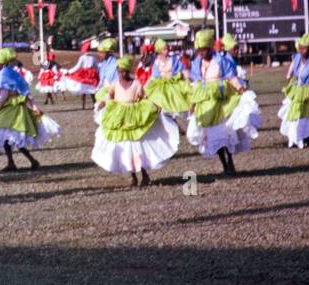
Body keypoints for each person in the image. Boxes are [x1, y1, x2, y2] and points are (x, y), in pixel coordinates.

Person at [91, 55, 180, 187]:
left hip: (134, 117)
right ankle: (133, 176)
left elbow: (145, 97)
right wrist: (101, 104)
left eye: (124, 71)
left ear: (129, 71)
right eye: (120, 71)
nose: (122, 74)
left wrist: (154, 106)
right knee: (126, 147)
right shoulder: (115, 84)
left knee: (137, 147)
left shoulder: (136, 84)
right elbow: (108, 96)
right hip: (120, 118)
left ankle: (144, 174)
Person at [0, 47, 60, 170]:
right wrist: (34, 106)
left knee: (10, 137)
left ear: (3, 64)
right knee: (9, 138)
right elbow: (26, 92)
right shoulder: (12, 72)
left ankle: (26, 161)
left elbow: (4, 96)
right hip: (16, 108)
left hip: (12, 110)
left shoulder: (3, 75)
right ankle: (19, 162)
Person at [185, 29, 258, 174]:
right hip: (207, 105)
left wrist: (241, 89)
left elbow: (231, 77)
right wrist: (192, 105)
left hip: (222, 101)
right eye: (199, 51)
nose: (201, 53)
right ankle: (224, 164)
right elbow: (196, 86)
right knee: (213, 137)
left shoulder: (221, 61)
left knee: (224, 134)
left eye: (204, 50)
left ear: (210, 48)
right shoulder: (196, 64)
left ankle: (230, 160)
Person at [279, 32, 309, 166]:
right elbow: (291, 76)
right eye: (300, 47)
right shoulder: (296, 59)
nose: (301, 50)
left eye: (305, 48)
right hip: (299, 95)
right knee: (298, 129)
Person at [143, 39, 192, 117]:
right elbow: (153, 76)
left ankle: (176, 118)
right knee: (159, 101)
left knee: (175, 101)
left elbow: (182, 69)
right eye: (164, 49)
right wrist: (145, 88)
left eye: (167, 48)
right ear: (159, 51)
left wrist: (187, 78)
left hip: (173, 85)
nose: (167, 50)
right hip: (160, 86)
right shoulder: (157, 62)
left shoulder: (173, 60)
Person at [60, 41, 100, 108]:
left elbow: (77, 67)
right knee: (91, 91)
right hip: (91, 74)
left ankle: (85, 105)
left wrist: (69, 71)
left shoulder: (84, 57)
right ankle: (93, 104)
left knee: (86, 90)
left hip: (86, 74)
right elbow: (97, 67)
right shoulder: (93, 57)